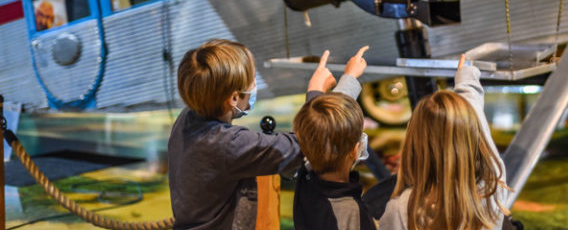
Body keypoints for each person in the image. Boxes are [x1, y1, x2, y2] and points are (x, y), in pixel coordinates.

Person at [168, 38, 368, 229]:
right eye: (252, 80)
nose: (255, 85)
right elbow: (309, 141)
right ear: (234, 98)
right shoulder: (229, 144)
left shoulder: (188, 117)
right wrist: (325, 88)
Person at [379, 54, 514, 230]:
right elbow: (477, 129)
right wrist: (467, 82)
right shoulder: (491, 190)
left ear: (415, 143)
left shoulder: (402, 209)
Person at [292, 45, 374, 230]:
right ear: (355, 150)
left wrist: (348, 79)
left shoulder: (308, 182)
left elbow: (320, 129)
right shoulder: (352, 216)